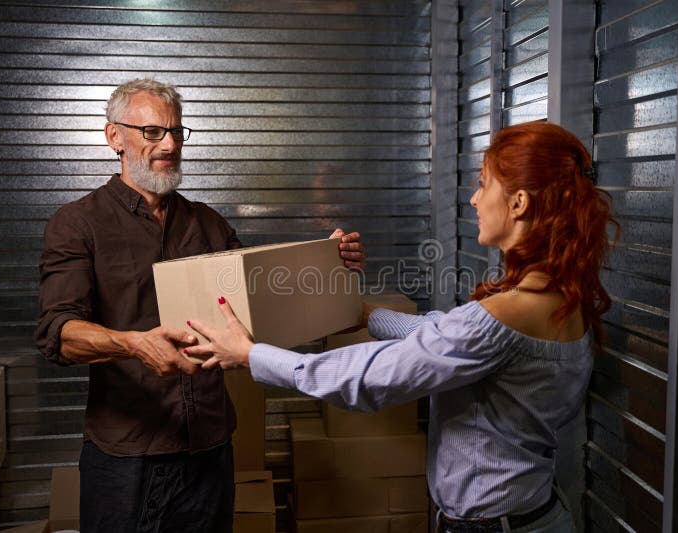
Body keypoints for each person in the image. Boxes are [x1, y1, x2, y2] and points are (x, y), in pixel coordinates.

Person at [183, 122, 617, 533]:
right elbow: (444, 334)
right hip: (536, 513)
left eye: (483, 184)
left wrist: (251, 355)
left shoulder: (506, 313)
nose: (473, 200)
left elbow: (369, 378)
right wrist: (366, 314)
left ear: (519, 202)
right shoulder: (563, 297)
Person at [35, 78, 365, 533]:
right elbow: (59, 333)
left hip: (209, 450)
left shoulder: (207, 222)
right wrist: (134, 344)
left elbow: (259, 309)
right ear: (114, 137)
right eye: (152, 132)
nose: (169, 144)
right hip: (127, 458)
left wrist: (327, 266)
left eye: (176, 131)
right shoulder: (77, 224)